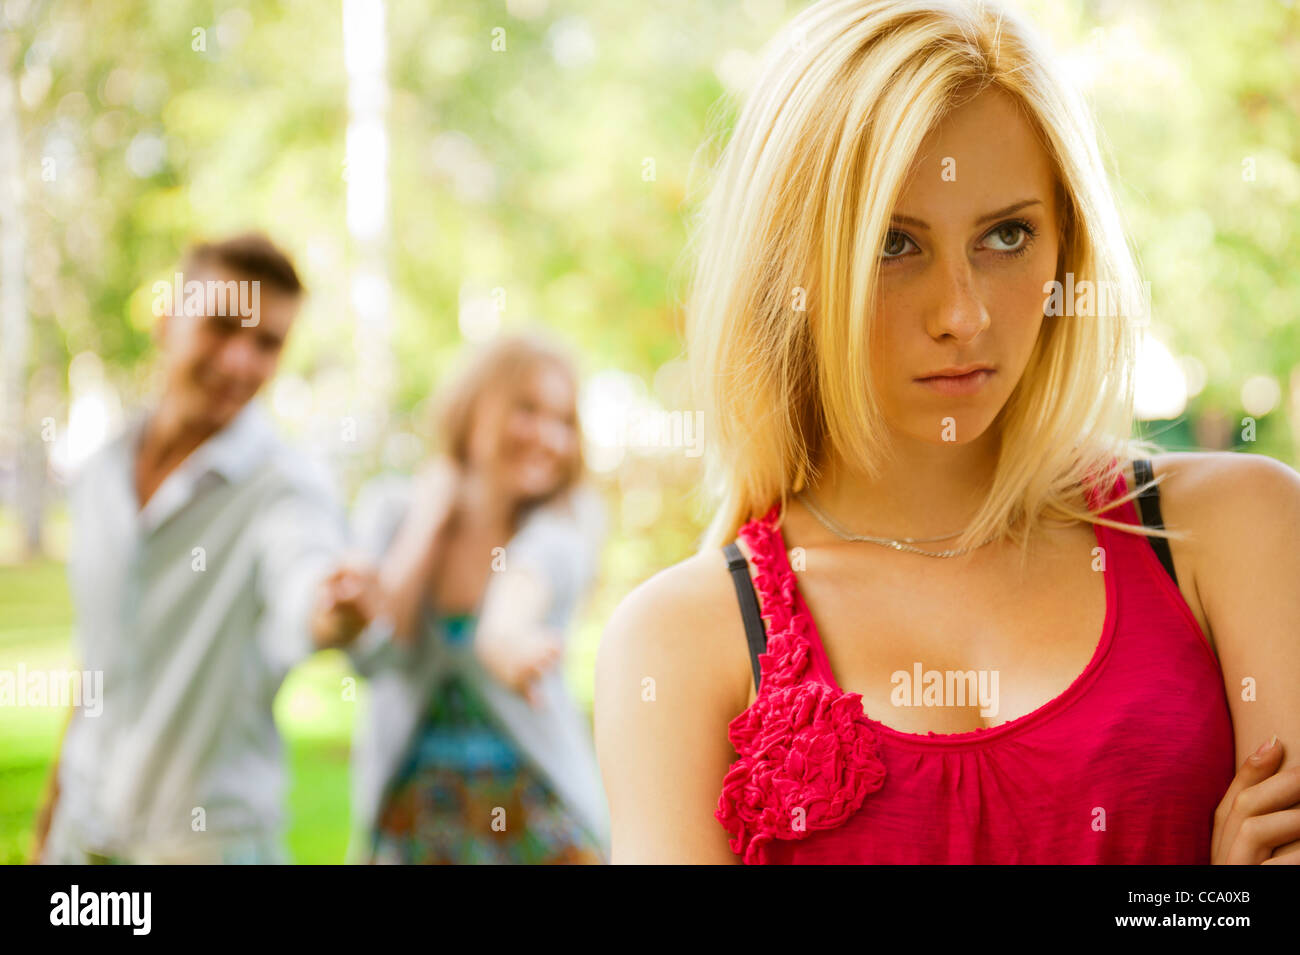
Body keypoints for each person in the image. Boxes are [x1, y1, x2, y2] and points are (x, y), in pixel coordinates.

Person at [596, 0, 1300, 864]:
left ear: (1068, 248)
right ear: (790, 271)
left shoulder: (1234, 532)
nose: (964, 315)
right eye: (895, 244)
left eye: (1008, 235)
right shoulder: (679, 641)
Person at [34, 232, 380, 864]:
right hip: (80, 841)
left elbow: (304, 577)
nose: (240, 362)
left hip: (204, 847)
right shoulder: (103, 471)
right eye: (222, 327)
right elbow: (100, 664)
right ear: (168, 317)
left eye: (267, 344)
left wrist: (332, 607)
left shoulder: (284, 488)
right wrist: (49, 823)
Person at [346, 331, 609, 864]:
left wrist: (506, 643)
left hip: (532, 810)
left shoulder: (564, 523)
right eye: (527, 410)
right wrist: (427, 523)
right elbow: (373, 655)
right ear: (472, 410)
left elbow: (518, 594)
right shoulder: (391, 511)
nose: (548, 437)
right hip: (417, 817)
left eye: (563, 421)